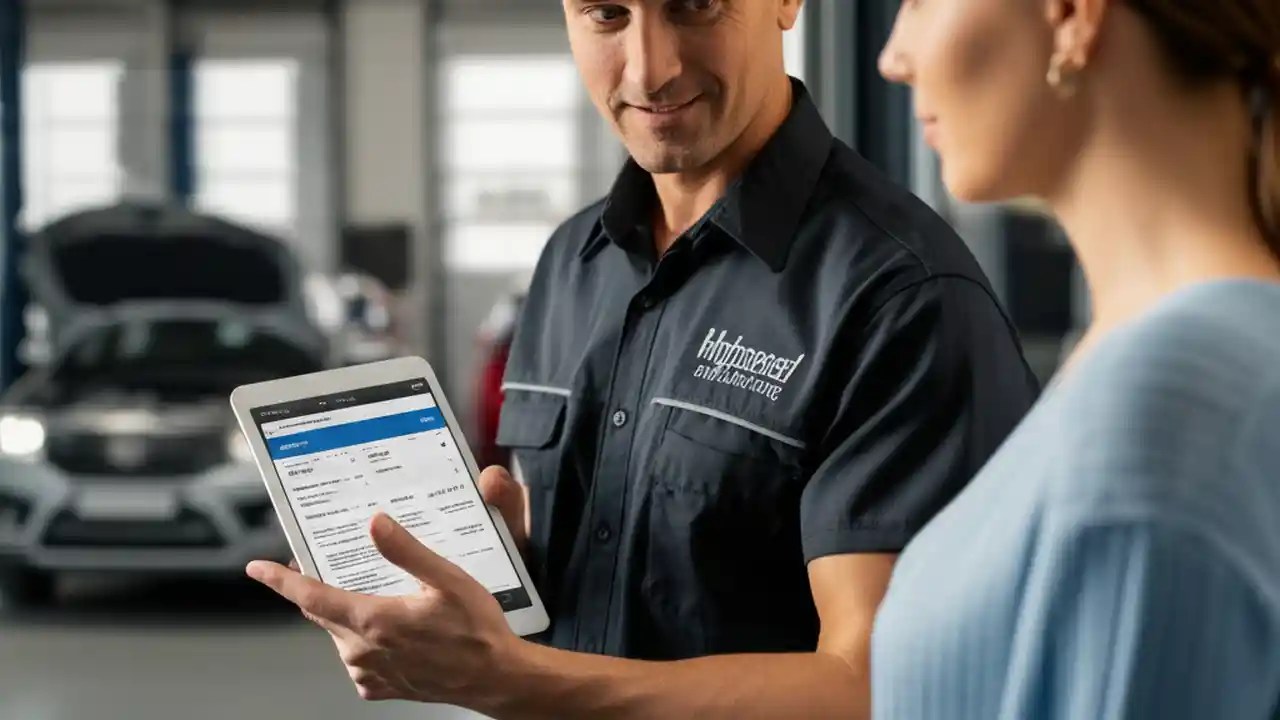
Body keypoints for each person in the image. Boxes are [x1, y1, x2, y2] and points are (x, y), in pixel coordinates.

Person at [246, 0, 1036, 717]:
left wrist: (510, 679)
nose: (649, 67)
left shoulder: (900, 295)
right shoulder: (571, 263)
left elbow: (879, 685)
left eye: (695, 7)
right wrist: (509, 572)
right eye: (606, 14)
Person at [872, 0, 1280, 718]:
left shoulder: (1169, 407)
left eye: (921, 1)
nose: (893, 56)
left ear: (1071, 14)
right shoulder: (1167, 374)